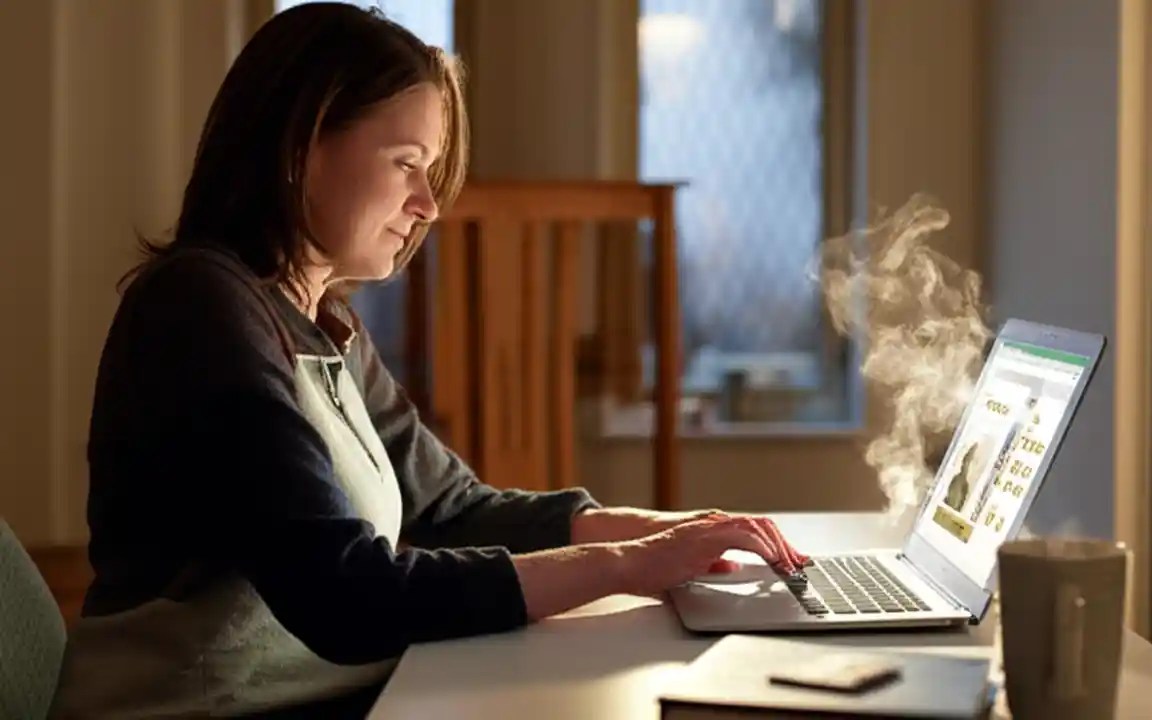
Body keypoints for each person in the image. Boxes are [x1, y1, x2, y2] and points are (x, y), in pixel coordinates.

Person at [49, 4, 806, 718]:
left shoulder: (321, 321)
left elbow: (451, 510)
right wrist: (629, 565)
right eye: (407, 162)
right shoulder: (201, 309)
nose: (429, 203)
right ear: (301, 147)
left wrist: (666, 535)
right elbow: (348, 598)